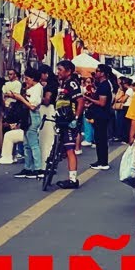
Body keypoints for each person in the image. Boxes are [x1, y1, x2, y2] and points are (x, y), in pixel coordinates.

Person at [51, 60, 85, 189]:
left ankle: (72, 180)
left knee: (71, 150)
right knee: (65, 148)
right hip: (61, 120)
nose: (58, 72)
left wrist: (75, 118)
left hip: (69, 121)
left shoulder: (72, 83)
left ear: (68, 71)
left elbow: (80, 101)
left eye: (60, 69)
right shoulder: (63, 83)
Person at [11, 67, 45, 179]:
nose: (26, 81)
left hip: (32, 117)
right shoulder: (31, 88)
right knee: (26, 144)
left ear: (33, 78)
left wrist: (21, 98)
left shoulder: (37, 88)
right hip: (27, 117)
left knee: (33, 144)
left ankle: (38, 168)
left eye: (27, 79)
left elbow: (32, 106)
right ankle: (28, 167)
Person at [86, 67, 116, 171]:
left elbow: (102, 103)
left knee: (101, 139)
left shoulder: (104, 85)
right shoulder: (103, 84)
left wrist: (89, 99)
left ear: (103, 73)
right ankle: (101, 161)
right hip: (101, 115)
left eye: (98, 71)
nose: (96, 72)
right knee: (99, 139)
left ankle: (102, 162)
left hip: (101, 116)